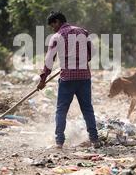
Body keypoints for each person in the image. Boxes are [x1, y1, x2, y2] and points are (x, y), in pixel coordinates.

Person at [37, 11, 100, 149]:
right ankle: (95, 140)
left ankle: (59, 142)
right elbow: (93, 52)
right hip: (84, 77)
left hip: (67, 79)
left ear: (58, 21)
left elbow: (49, 60)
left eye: (52, 25)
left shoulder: (57, 36)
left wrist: (43, 79)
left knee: (61, 110)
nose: (53, 28)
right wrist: (82, 60)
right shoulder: (83, 32)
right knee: (87, 109)